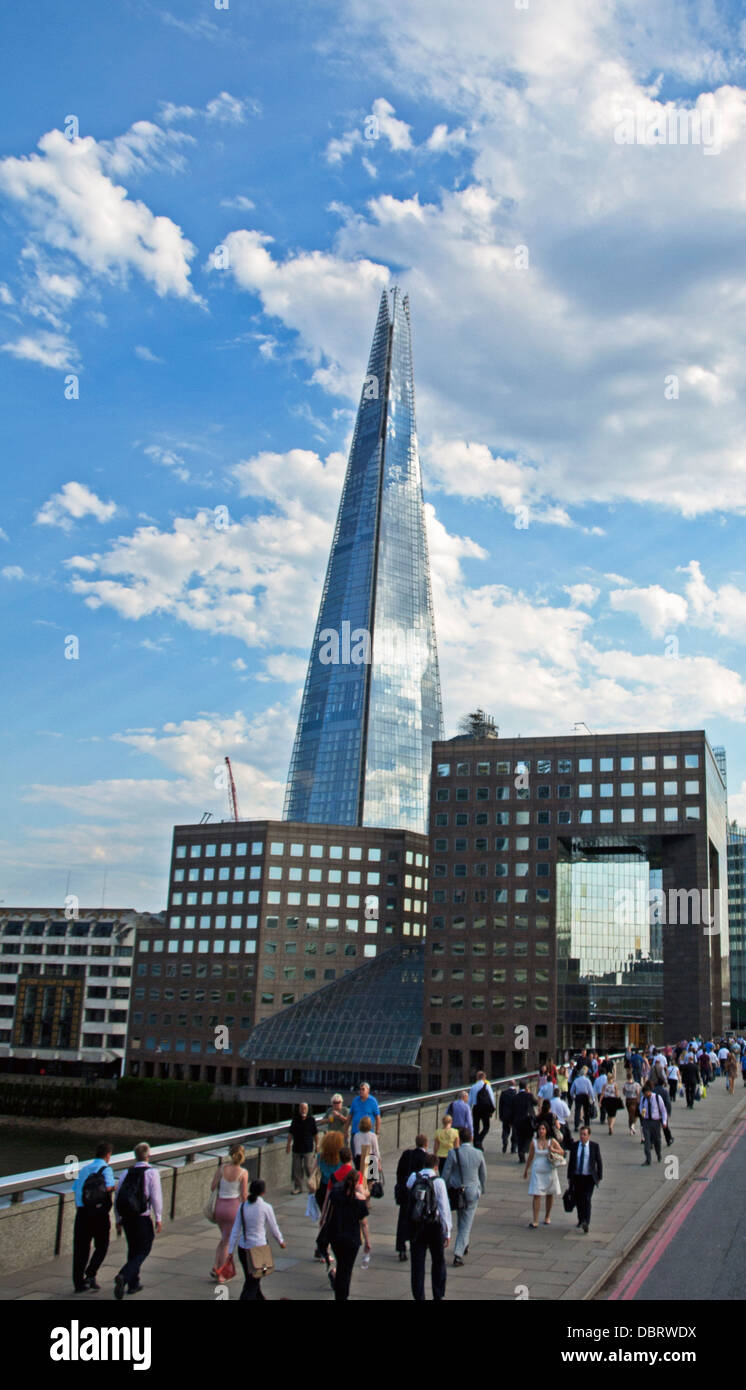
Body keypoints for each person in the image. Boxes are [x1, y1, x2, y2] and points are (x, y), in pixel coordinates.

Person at [113, 1142, 163, 1300]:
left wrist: (118, 1218)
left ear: (135, 1156)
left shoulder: (126, 1173)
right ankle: (124, 1274)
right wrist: (159, 1217)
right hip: (142, 1216)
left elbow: (118, 1196)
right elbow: (156, 1197)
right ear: (148, 1155)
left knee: (133, 1248)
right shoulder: (152, 1173)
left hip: (127, 1217)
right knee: (144, 1249)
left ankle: (133, 1284)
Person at [228, 1178, 285, 1302]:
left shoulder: (242, 1206)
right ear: (263, 1192)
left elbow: (235, 1230)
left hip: (243, 1248)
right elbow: (273, 1227)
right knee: (254, 1280)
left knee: (251, 1278)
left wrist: (230, 1251)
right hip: (260, 1249)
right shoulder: (265, 1207)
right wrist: (280, 1241)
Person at [406, 1153, 451, 1301]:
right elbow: (444, 1207)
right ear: (436, 1166)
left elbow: (407, 1190)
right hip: (434, 1225)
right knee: (438, 1261)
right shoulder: (438, 1182)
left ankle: (419, 1295)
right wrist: (447, 1231)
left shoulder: (414, 1177)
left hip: (417, 1225)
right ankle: (438, 1294)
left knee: (417, 1264)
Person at [72, 1140, 115, 1293]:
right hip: (99, 1214)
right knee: (102, 1245)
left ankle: (78, 1283)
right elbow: (109, 1187)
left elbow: (76, 1189)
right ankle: (91, 1273)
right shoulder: (106, 1169)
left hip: (82, 1213)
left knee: (80, 1249)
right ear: (108, 1155)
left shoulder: (84, 1170)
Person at [322, 1169, 370, 1300]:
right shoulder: (359, 1201)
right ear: (356, 1183)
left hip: (336, 1236)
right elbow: (364, 1223)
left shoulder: (336, 1195)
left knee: (342, 1265)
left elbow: (328, 1209)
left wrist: (323, 1219)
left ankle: (339, 1292)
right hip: (352, 1239)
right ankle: (343, 1295)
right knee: (346, 1270)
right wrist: (368, 1242)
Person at [442, 1127, 486, 1266]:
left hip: (457, 1190)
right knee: (466, 1222)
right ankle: (458, 1253)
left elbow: (446, 1174)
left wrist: (445, 1188)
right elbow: (483, 1174)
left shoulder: (453, 1153)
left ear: (459, 1139)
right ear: (471, 1138)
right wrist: (481, 1189)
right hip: (472, 1191)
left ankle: (463, 1245)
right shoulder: (478, 1153)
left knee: (462, 1218)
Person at [210, 1144, 248, 1281]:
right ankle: (222, 1274)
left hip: (220, 1207)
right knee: (227, 1242)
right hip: (233, 1208)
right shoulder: (243, 1172)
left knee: (224, 1239)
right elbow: (243, 1195)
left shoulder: (222, 1168)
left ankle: (216, 1266)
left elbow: (213, 1186)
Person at [395, 1134, 430, 1260]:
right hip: (418, 1194)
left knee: (403, 1219)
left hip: (405, 1192)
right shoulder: (426, 1158)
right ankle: (415, 1243)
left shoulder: (407, 1154)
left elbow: (399, 1172)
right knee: (416, 1218)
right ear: (426, 1144)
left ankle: (401, 1248)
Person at [524, 1120, 565, 1227]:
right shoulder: (534, 1142)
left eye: (543, 1129)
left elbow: (562, 1152)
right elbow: (530, 1157)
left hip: (549, 1169)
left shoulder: (552, 1141)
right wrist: (526, 1170)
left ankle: (547, 1216)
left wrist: (553, 1150)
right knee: (536, 1194)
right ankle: (535, 1220)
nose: (541, 1131)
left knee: (549, 1194)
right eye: (540, 1129)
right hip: (537, 1170)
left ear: (546, 1130)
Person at [567, 1125, 603, 1233]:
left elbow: (599, 1161)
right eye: (581, 1134)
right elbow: (571, 1162)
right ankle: (580, 1219)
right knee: (578, 1199)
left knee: (587, 1199)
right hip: (577, 1176)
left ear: (589, 1136)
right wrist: (569, 1176)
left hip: (588, 1177)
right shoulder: (575, 1146)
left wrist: (599, 1176)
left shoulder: (594, 1146)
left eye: (584, 1134)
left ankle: (586, 1222)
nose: (582, 1137)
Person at [315, 1131, 345, 1259]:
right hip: (335, 1191)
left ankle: (320, 1246)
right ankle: (324, 1248)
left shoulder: (320, 1157)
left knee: (324, 1217)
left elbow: (315, 1171)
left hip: (321, 1189)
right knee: (331, 1221)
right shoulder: (341, 1159)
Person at [286, 1101, 318, 1193]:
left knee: (308, 1167)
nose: (303, 1110)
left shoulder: (311, 1120)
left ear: (307, 1110)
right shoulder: (295, 1120)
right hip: (297, 1147)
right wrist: (288, 1145)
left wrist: (317, 1145)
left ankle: (313, 1185)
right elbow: (290, 1133)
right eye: (301, 1108)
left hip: (308, 1147)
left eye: (305, 1108)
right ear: (299, 1109)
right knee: (297, 1169)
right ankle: (298, 1187)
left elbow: (315, 1134)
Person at [345, 1081, 381, 1154]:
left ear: (368, 1090)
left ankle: (370, 1165)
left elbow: (377, 1117)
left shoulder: (373, 1101)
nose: (361, 1091)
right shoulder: (355, 1100)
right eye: (360, 1089)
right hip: (355, 1132)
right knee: (356, 1153)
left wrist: (377, 1132)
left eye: (363, 1089)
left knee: (369, 1155)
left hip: (368, 1132)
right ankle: (358, 1165)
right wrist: (346, 1130)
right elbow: (350, 1116)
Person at [469, 1070, 496, 1149]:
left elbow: (469, 1101)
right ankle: (479, 1140)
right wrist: (492, 1109)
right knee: (486, 1127)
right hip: (485, 1108)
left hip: (476, 1108)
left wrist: (468, 1109)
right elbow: (491, 1098)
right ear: (484, 1078)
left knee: (476, 1127)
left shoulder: (473, 1086)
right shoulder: (487, 1086)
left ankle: (476, 1144)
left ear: (477, 1078)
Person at [352, 1115, 382, 1185]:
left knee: (360, 1181)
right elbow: (376, 1151)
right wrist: (378, 1162)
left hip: (359, 1158)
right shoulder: (372, 1135)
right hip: (371, 1158)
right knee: (370, 1183)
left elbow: (356, 1150)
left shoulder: (356, 1135)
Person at [639, 1085, 666, 1164]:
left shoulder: (657, 1098)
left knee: (657, 1140)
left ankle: (658, 1154)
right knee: (647, 1141)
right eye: (644, 1094)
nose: (645, 1095)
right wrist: (642, 1112)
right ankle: (648, 1159)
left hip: (655, 1122)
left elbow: (663, 1110)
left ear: (649, 1092)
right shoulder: (643, 1099)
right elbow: (640, 1108)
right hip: (646, 1122)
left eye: (646, 1094)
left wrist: (664, 1122)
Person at [512, 1080, 538, 1162]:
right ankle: (524, 1150)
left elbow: (513, 1109)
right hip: (528, 1120)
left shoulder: (515, 1097)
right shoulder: (529, 1095)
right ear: (526, 1087)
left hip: (518, 1121)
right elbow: (535, 1102)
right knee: (529, 1136)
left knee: (520, 1137)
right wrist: (530, 1092)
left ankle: (520, 1151)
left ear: (519, 1087)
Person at [499, 1080, 518, 1153]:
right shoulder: (516, 1093)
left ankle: (505, 1142)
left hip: (506, 1115)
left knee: (505, 1130)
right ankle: (513, 1147)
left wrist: (501, 1116)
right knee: (515, 1132)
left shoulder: (503, 1093)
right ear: (515, 1085)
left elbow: (500, 1106)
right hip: (514, 1115)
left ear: (508, 1085)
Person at [622, 1069, 641, 1136]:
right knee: (635, 1114)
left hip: (628, 1100)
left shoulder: (625, 1084)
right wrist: (639, 1100)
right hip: (634, 1100)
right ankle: (632, 1126)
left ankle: (631, 1126)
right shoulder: (636, 1084)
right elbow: (638, 1093)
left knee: (630, 1114)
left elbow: (624, 1092)